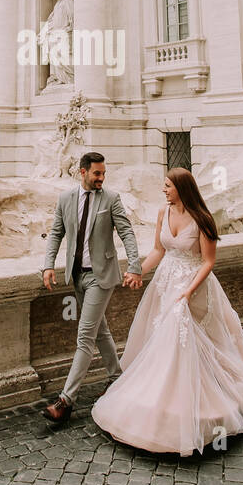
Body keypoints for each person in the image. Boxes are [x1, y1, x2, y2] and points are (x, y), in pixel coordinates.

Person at [91, 167, 243, 456]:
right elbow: (159, 251)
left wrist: (187, 291)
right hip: (165, 282)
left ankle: (202, 404)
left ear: (182, 189)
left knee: (188, 341)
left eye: (168, 186)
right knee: (161, 340)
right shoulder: (164, 213)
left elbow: (208, 262)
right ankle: (164, 401)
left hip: (194, 287)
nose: (164, 190)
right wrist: (137, 271)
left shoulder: (203, 220)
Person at [41, 152, 143, 427]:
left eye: (103, 174)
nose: (101, 178)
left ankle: (65, 402)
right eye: (97, 173)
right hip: (77, 277)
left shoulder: (111, 199)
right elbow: (56, 234)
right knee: (100, 331)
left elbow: (127, 232)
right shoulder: (65, 199)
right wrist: (47, 265)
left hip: (102, 277)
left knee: (84, 336)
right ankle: (117, 378)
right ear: (82, 172)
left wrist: (134, 265)